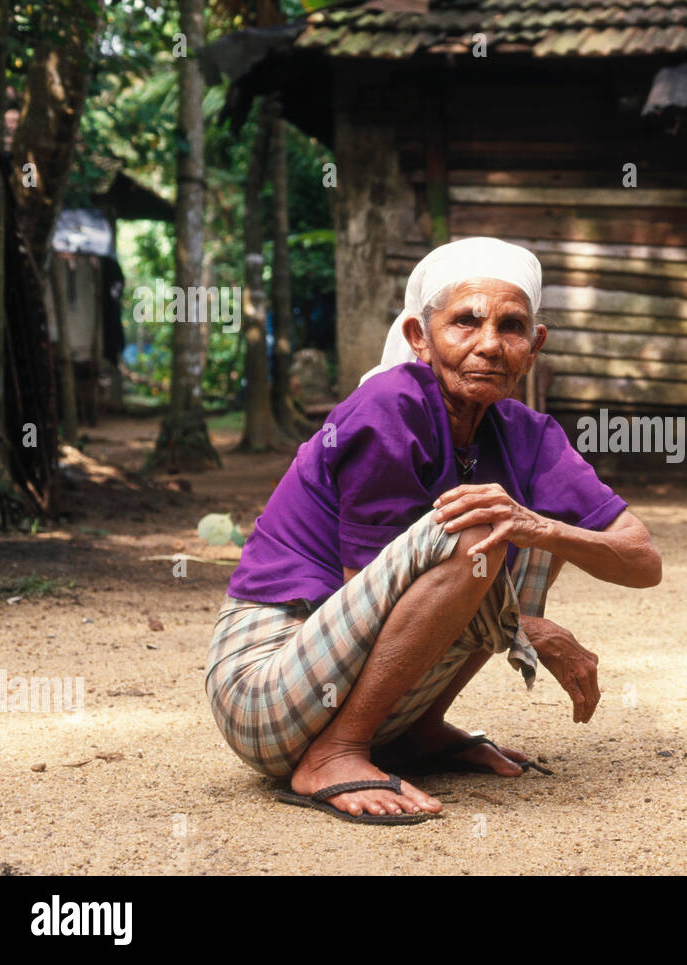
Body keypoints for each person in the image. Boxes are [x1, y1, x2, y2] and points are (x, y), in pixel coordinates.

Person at [204, 237, 662, 824]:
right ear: (420, 338)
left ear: (535, 346)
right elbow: (361, 595)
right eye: (465, 322)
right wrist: (531, 628)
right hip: (267, 689)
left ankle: (416, 734)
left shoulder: (530, 435)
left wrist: (540, 529)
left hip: (370, 696)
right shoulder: (388, 406)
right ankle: (334, 755)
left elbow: (642, 560)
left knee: (534, 526)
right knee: (476, 532)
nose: (490, 345)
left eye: (512, 327)